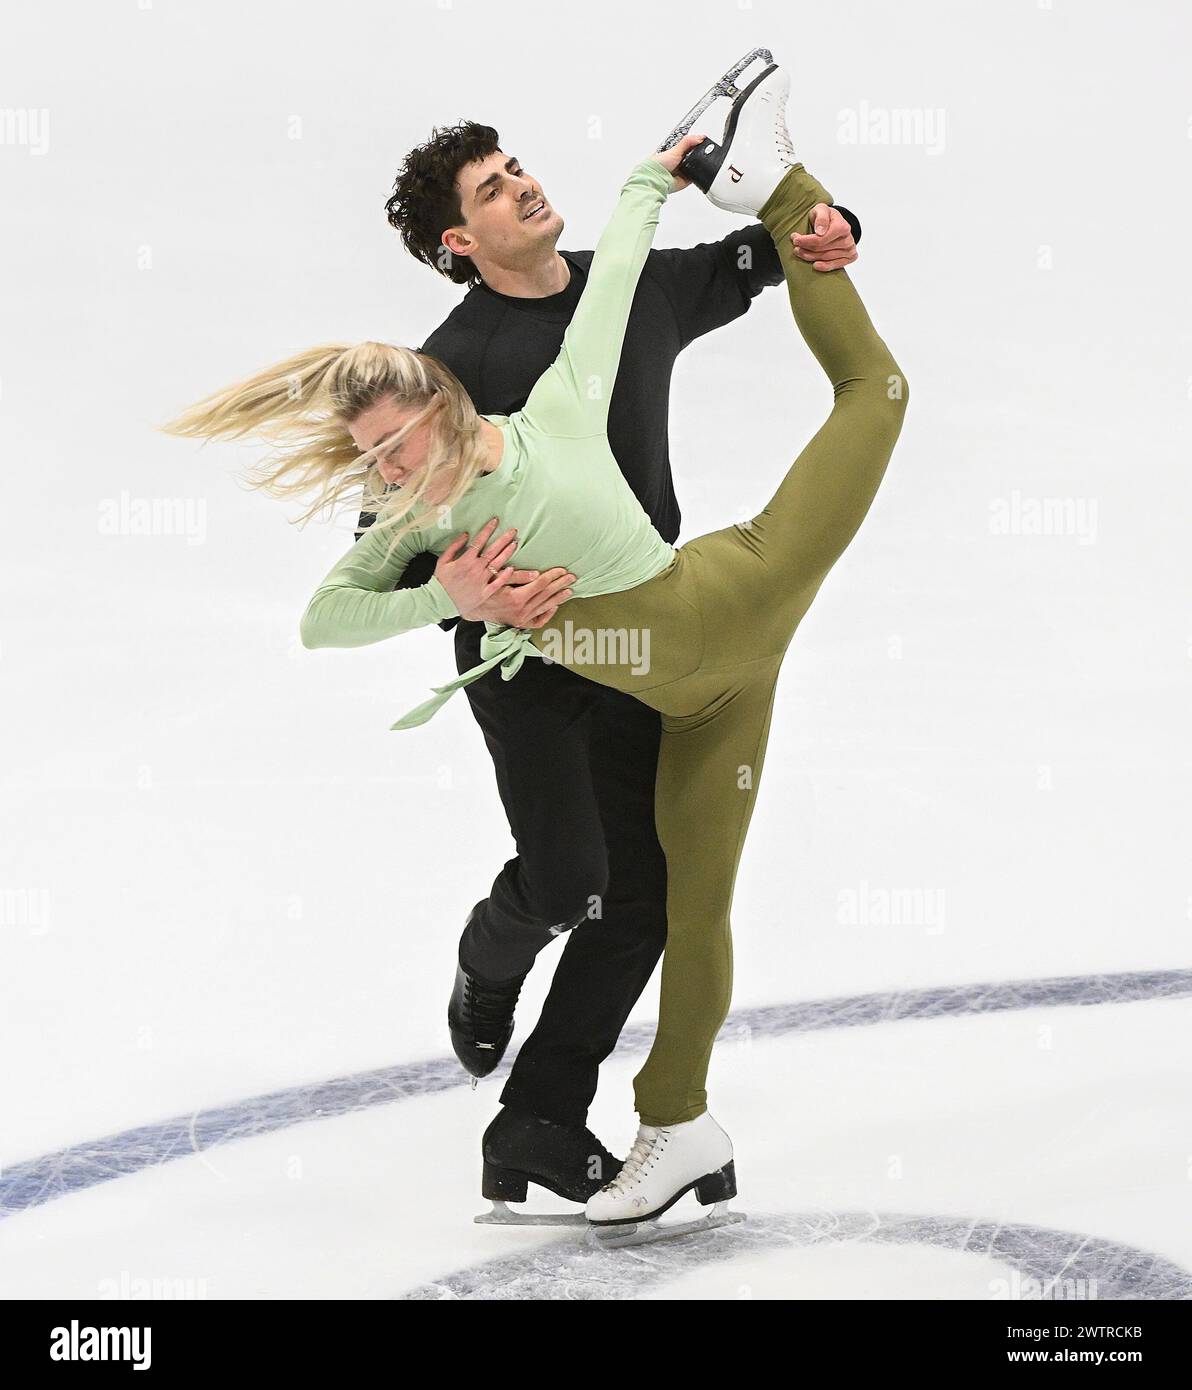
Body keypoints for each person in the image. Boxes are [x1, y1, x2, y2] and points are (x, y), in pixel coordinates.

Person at [166, 63, 905, 1229]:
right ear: (461, 242)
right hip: (524, 659)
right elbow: (386, 558)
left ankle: (539, 1119)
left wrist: (826, 226)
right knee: (568, 883)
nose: (523, 189)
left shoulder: (630, 291)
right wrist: (455, 595)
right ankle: (492, 947)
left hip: (645, 626)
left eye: (518, 169)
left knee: (642, 901)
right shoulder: (446, 380)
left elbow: (763, 259)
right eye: (494, 191)